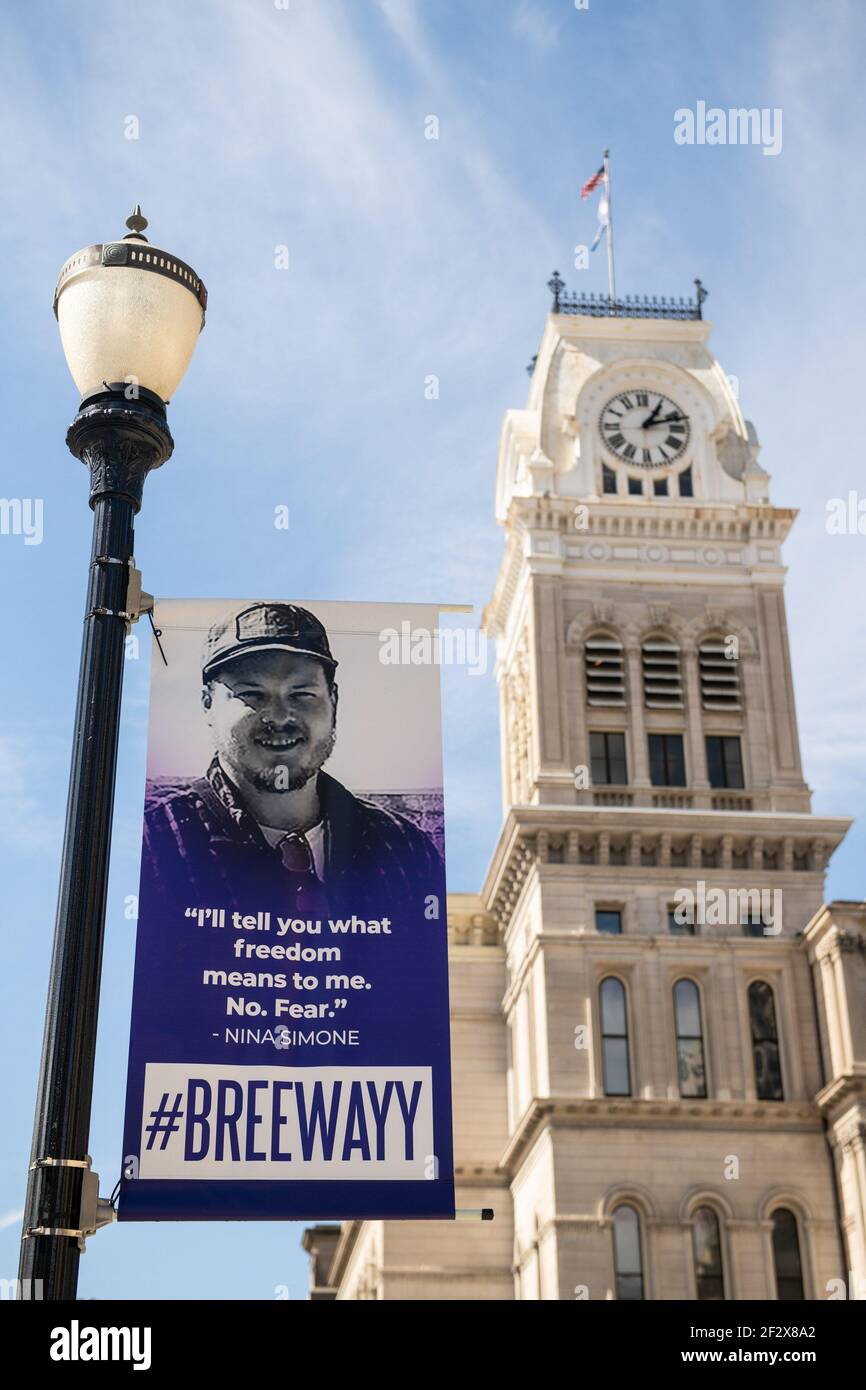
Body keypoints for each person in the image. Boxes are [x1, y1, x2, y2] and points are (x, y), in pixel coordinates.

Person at [141, 602, 443, 917]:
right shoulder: (153, 847)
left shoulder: (405, 851)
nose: (281, 717)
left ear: (333, 702)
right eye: (251, 694)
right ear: (207, 704)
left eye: (301, 694)